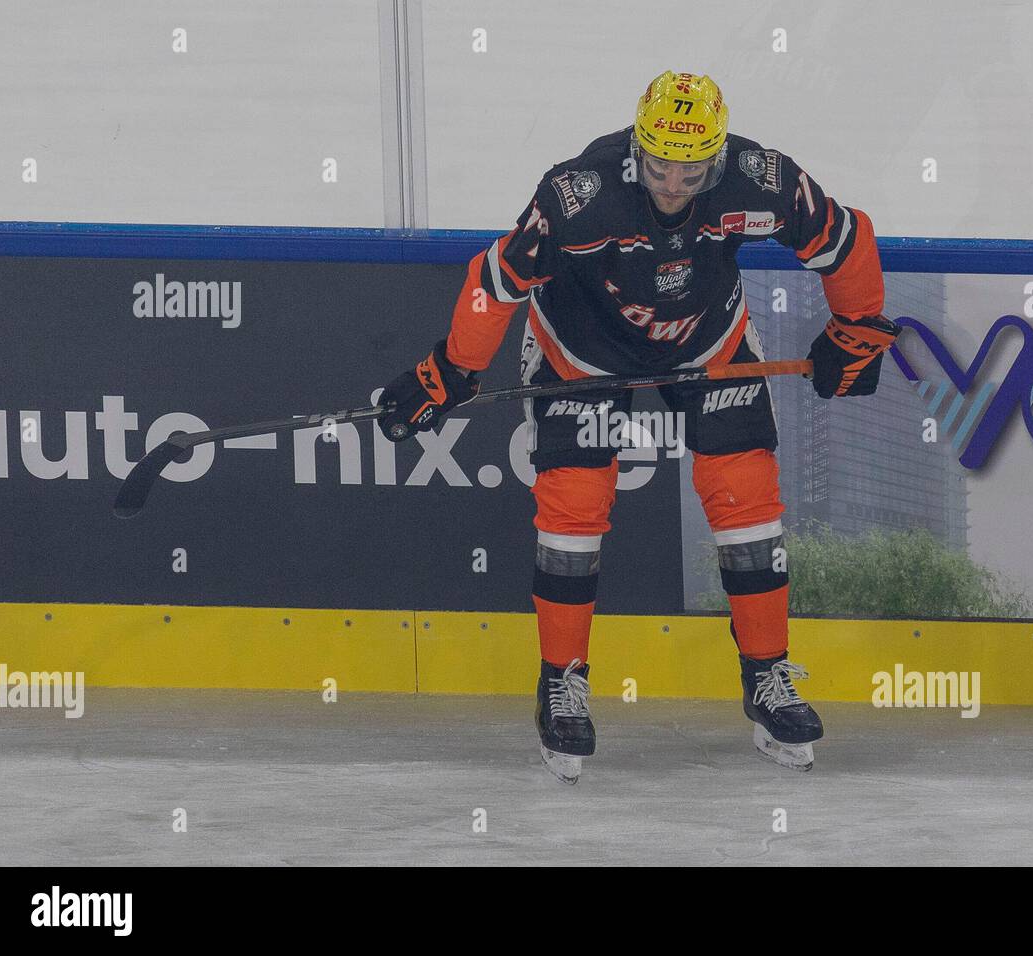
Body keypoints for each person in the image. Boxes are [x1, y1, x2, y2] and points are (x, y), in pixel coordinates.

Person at [379, 70, 896, 783]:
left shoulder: (761, 179)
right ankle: (561, 683)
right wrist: (451, 370)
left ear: (717, 154)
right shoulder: (578, 194)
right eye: (659, 165)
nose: (674, 183)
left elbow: (845, 238)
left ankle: (768, 677)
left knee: (747, 498)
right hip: (579, 351)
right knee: (575, 509)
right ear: (634, 147)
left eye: (691, 168)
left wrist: (859, 326)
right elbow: (496, 279)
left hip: (706, 342)